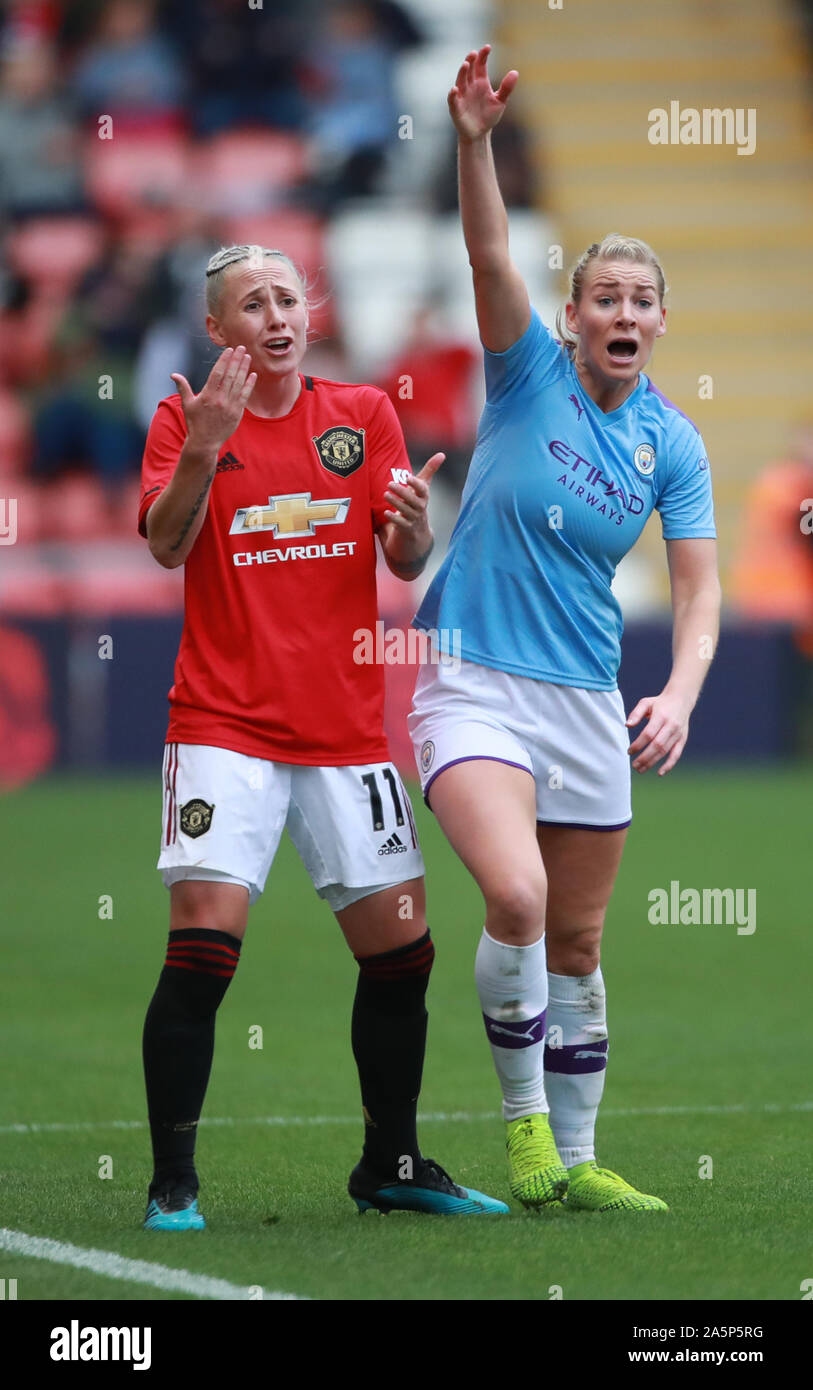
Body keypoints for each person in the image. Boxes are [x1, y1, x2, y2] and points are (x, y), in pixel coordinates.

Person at [137, 242, 508, 1228]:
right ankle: (173, 1180)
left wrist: (413, 527)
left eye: (287, 297)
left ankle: (390, 1160)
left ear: (312, 310)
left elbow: (405, 553)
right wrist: (208, 447)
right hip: (224, 724)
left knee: (402, 956)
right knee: (204, 950)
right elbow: (166, 541)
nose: (276, 316)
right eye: (251, 304)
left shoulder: (362, 416)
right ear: (218, 330)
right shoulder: (184, 420)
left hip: (345, 733)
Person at [408, 49, 722, 1213]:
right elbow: (490, 251)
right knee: (522, 900)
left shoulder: (673, 445)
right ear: (574, 315)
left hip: (586, 698)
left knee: (581, 946)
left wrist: (681, 689)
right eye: (606, 298)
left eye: (643, 300)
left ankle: (582, 1159)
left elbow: (698, 590)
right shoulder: (524, 369)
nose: (624, 314)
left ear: (658, 321)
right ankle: (525, 1135)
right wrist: (476, 139)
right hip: (473, 683)